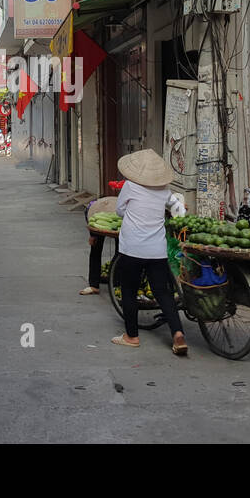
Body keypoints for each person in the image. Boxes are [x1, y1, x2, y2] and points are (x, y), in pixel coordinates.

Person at [111, 149, 188, 356]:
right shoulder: (164, 190)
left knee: (129, 290)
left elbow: (119, 210)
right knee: (163, 293)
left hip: (132, 248)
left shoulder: (130, 186)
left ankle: (131, 337)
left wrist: (134, 214)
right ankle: (178, 334)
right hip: (157, 250)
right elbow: (180, 211)